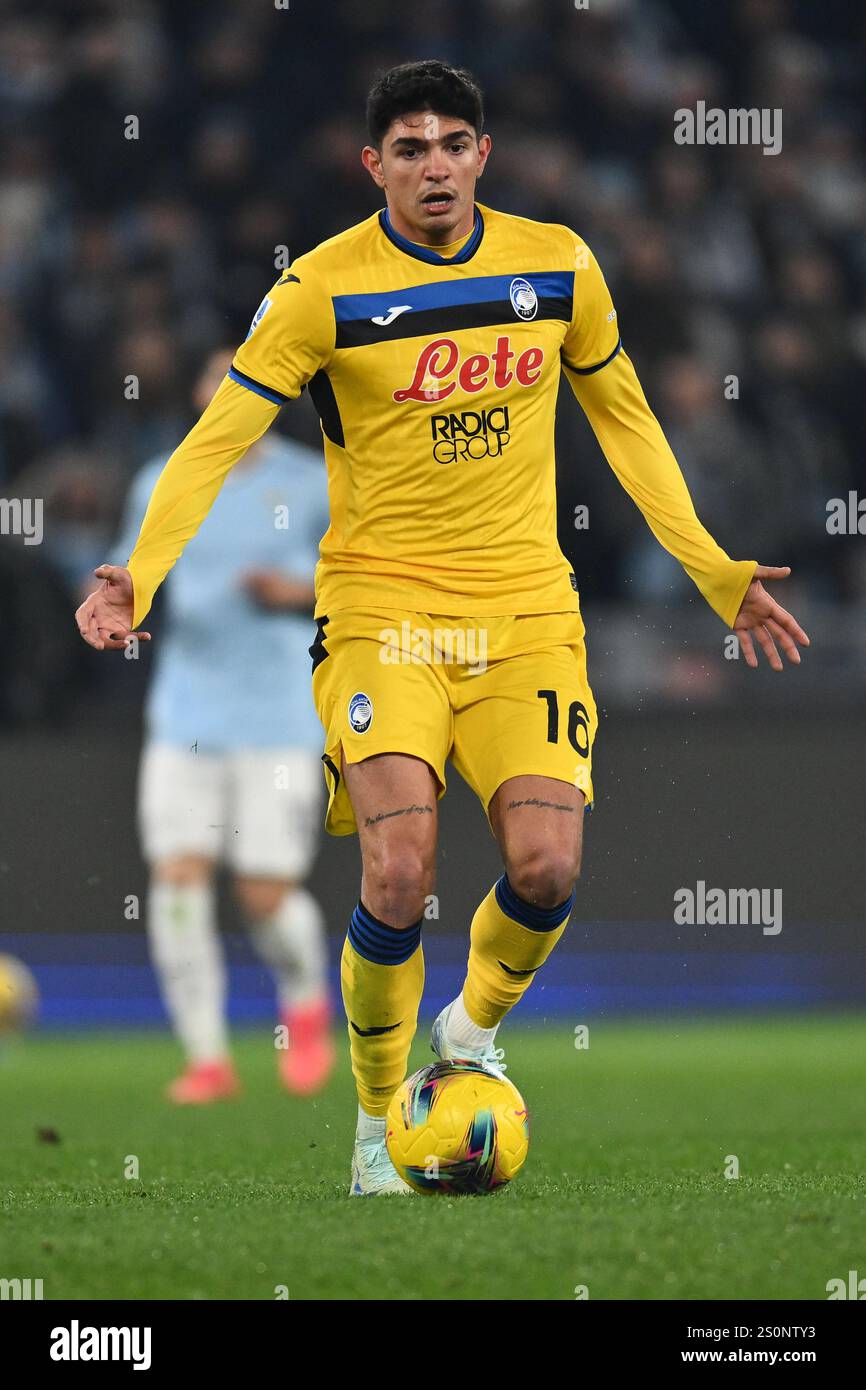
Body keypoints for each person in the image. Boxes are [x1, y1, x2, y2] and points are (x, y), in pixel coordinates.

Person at [76, 60, 808, 1189]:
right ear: (372, 166)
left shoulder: (557, 264)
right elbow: (218, 438)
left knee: (549, 865)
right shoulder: (321, 290)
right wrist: (142, 572)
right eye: (407, 148)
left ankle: (464, 1033)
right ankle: (376, 1125)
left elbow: (626, 423)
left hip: (524, 612)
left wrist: (712, 572)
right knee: (398, 874)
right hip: (380, 612)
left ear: (482, 156)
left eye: (452, 143)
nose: (433, 165)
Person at [111, 347, 334, 1103]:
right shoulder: (162, 479)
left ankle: (304, 1004)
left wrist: (296, 590)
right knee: (176, 877)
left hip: (278, 714)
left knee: (265, 894)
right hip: (186, 714)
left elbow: (357, 574)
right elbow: (129, 567)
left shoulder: (310, 482)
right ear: (203, 396)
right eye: (216, 381)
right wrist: (119, 606)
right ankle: (206, 1055)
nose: (229, 394)